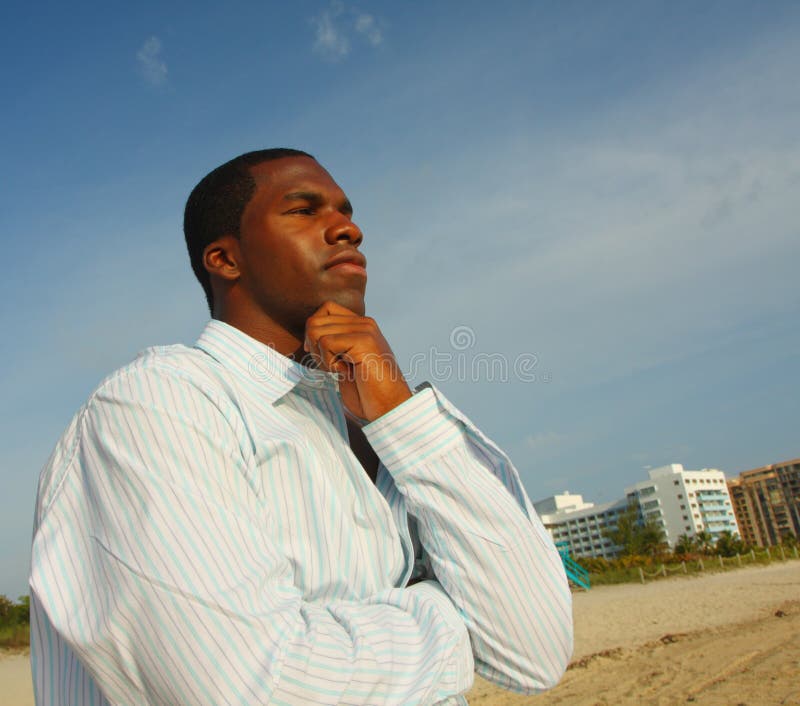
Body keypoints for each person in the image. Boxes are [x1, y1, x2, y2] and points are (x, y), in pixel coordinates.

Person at [30, 148, 573, 705]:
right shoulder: (158, 404)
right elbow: (251, 688)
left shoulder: (382, 418)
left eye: (345, 211)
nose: (348, 229)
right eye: (304, 210)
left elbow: (533, 651)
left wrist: (402, 417)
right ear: (225, 259)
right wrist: (451, 614)